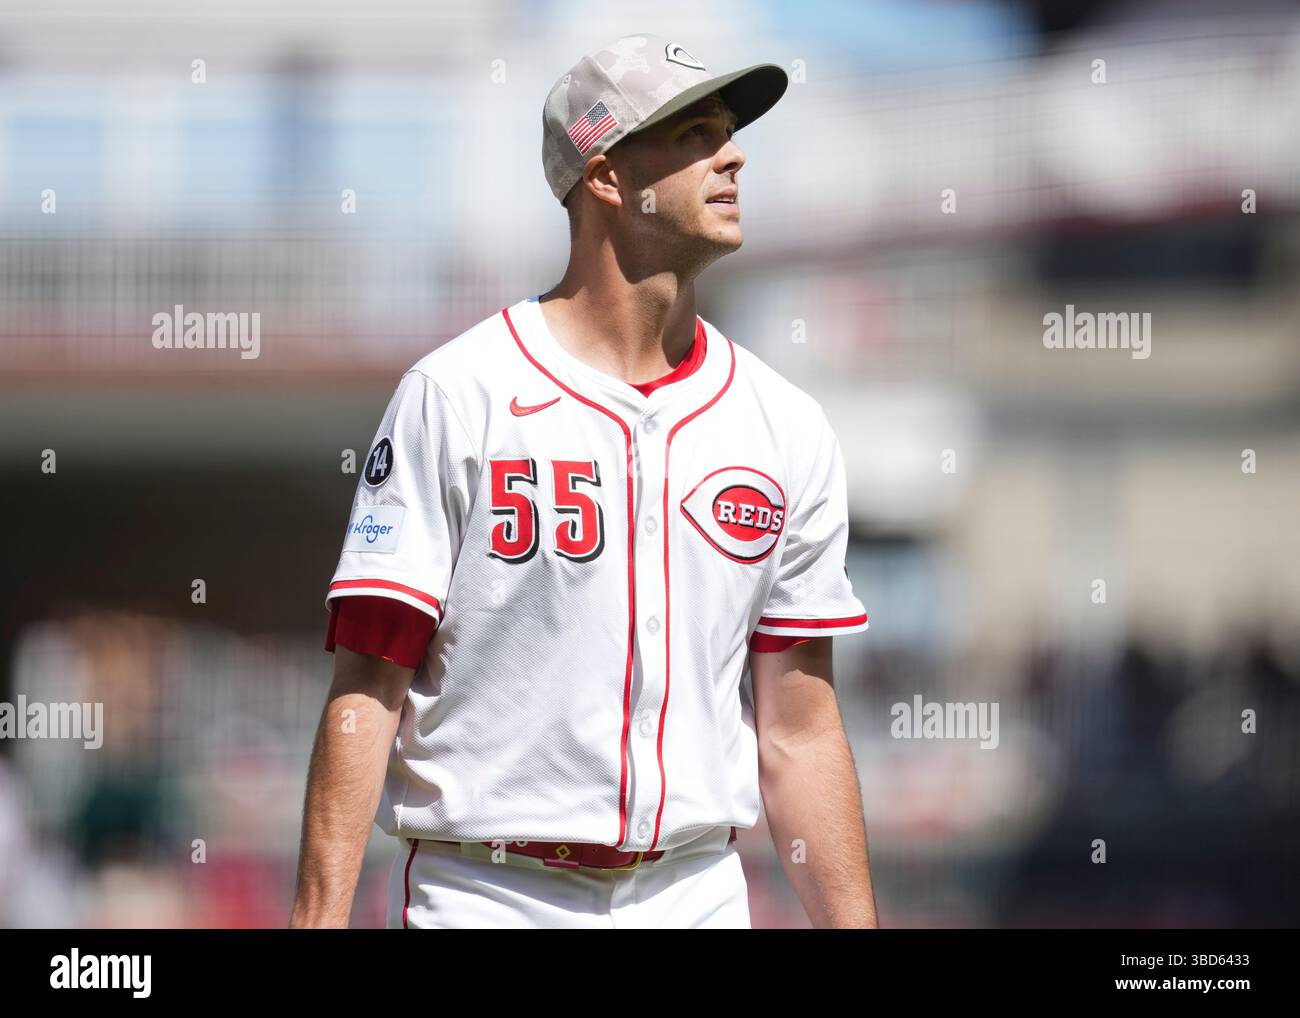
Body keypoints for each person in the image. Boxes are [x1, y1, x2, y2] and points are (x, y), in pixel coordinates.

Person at [291, 33, 878, 929]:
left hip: (695, 892)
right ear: (606, 176)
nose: (735, 153)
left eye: (730, 129)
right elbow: (367, 691)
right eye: (696, 132)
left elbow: (798, 732)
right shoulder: (458, 393)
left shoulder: (785, 422)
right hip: (491, 893)